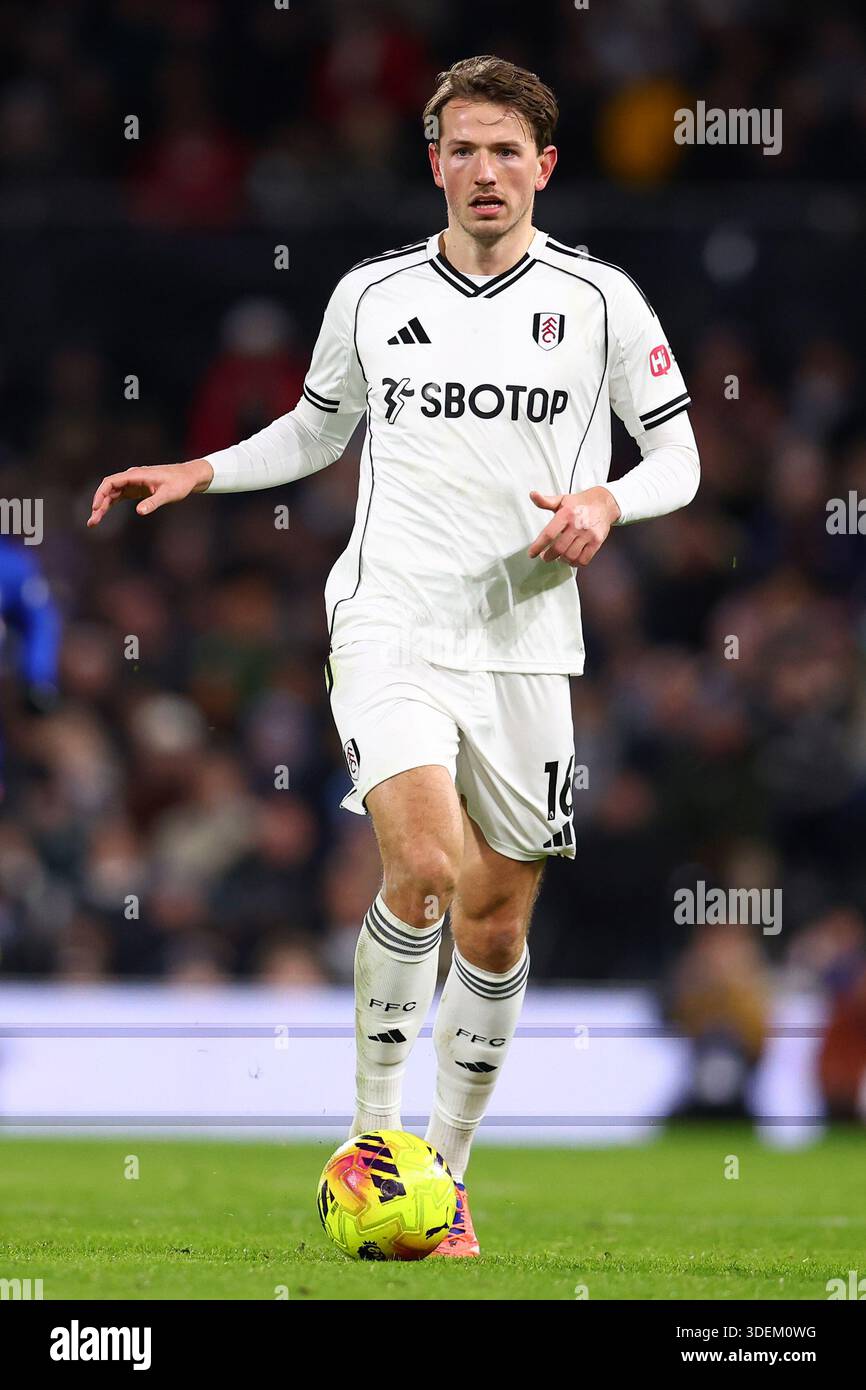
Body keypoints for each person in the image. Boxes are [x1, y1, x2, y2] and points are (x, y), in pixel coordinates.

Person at [88, 55, 700, 1256]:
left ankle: (448, 1173)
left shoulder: (600, 301)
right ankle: (372, 1142)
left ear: (544, 167)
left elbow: (678, 458)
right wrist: (201, 467)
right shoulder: (371, 295)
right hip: (390, 617)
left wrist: (606, 505)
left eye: (505, 151)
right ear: (433, 163)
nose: (483, 170)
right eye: (462, 149)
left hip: (525, 640)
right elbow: (317, 428)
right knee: (421, 866)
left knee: (498, 920)